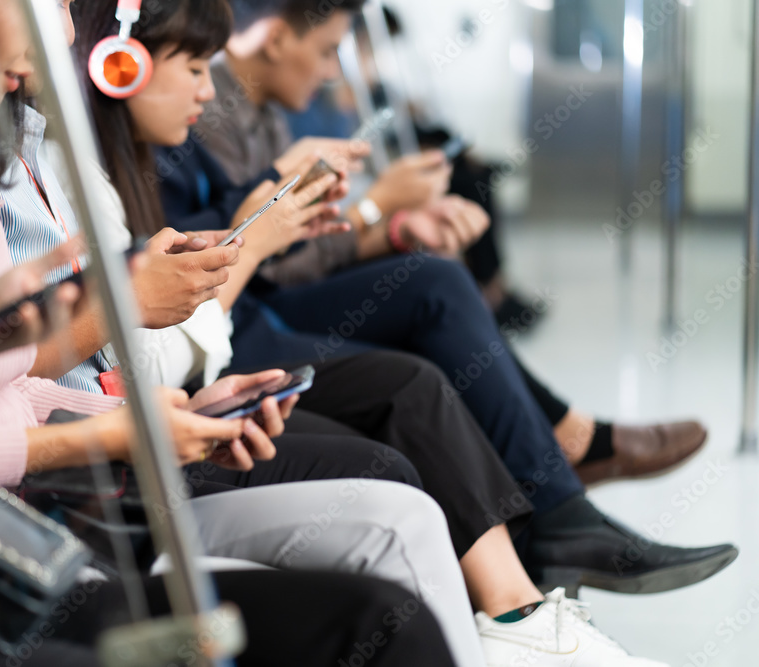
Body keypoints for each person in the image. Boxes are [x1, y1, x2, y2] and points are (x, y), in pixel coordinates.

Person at [0, 0, 463, 665]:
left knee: (390, 497)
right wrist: (110, 424)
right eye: (49, 5)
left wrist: (143, 416)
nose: (65, 34)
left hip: (12, 504)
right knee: (381, 540)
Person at [161, 0, 737, 594]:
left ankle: (562, 478)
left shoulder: (261, 118)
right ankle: (560, 482)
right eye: (328, 51)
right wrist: (376, 211)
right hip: (245, 315)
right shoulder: (209, 126)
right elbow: (265, 260)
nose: (334, 71)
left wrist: (390, 225)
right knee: (429, 313)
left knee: (435, 280)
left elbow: (284, 244)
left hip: (253, 303)